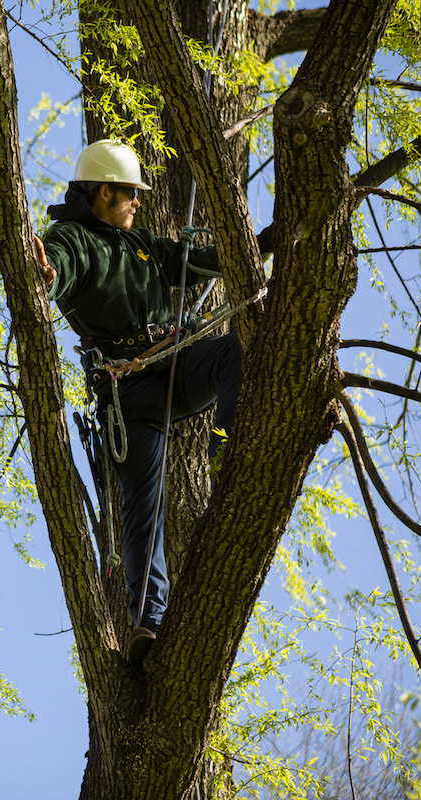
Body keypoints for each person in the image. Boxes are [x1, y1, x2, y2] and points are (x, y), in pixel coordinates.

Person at [33, 139, 254, 659]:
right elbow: (56, 267)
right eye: (130, 193)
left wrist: (263, 243)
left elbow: (199, 260)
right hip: (127, 390)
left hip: (175, 363)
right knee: (144, 511)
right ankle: (148, 623)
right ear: (104, 191)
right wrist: (45, 275)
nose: (138, 202)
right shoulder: (71, 239)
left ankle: (227, 450)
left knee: (238, 351)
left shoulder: (146, 245)